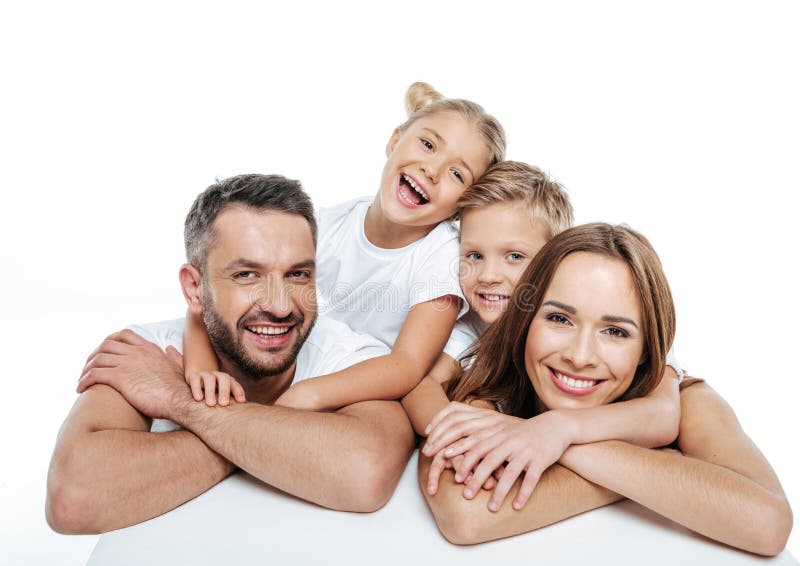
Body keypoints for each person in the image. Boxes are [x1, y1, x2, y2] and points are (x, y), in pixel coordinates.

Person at [45, 174, 415, 534]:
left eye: (298, 275)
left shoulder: (355, 358)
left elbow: (364, 473)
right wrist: (283, 445)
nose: (280, 306)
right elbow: (73, 500)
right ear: (194, 289)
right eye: (246, 276)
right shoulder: (145, 355)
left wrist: (181, 403)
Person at [419, 223, 792, 556]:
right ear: (525, 321)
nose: (580, 357)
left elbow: (768, 523)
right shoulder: (493, 383)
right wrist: (659, 465)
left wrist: (556, 432)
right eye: (559, 318)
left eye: (615, 332)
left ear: (648, 350)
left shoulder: (686, 400)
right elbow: (466, 515)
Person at [180, 82, 507, 412]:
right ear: (395, 140)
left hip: (368, 384)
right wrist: (201, 368)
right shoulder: (331, 223)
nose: (432, 170)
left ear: (463, 203)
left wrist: (310, 393)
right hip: (324, 365)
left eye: (456, 173)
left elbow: (407, 365)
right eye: (427, 145)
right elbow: (209, 299)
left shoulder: (442, 257)